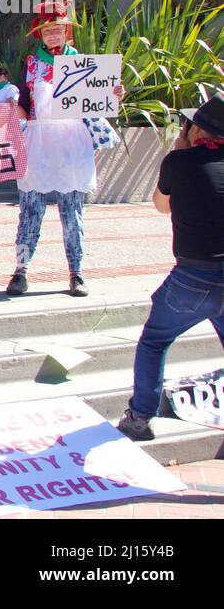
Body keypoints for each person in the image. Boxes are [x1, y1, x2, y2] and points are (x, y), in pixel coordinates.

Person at [118, 92, 224, 441]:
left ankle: (139, 417)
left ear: (196, 132)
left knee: (154, 341)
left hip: (192, 277)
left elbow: (161, 206)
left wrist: (179, 154)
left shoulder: (178, 163)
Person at [7, 0, 124, 298]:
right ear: (40, 34)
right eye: (48, 31)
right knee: (30, 209)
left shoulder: (84, 63)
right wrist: (10, 110)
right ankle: (21, 270)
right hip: (39, 141)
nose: (53, 35)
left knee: (73, 211)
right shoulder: (31, 64)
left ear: (67, 31)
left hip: (72, 142)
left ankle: (77, 272)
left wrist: (114, 95)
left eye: (58, 29)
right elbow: (24, 107)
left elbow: (99, 103)